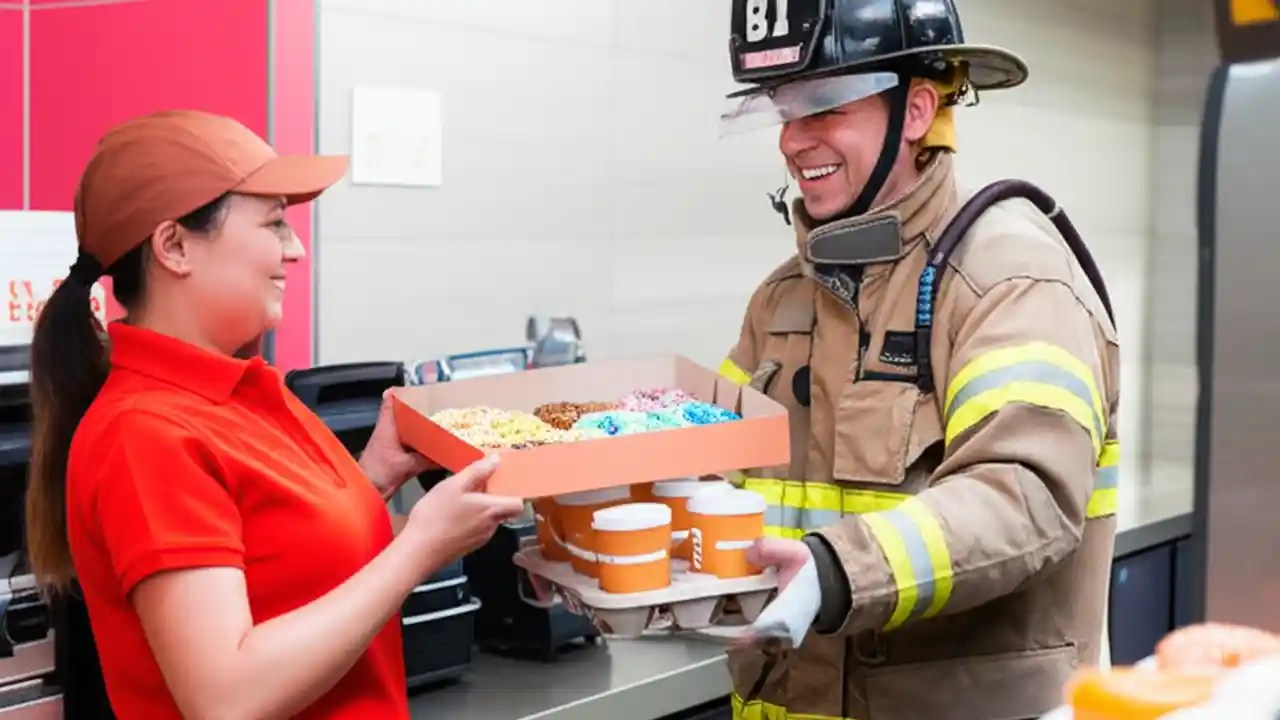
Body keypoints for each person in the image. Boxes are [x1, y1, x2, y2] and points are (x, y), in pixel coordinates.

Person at [24, 109, 524, 720]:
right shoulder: (144, 434)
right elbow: (226, 696)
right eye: (275, 224)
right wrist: (417, 546)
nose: (297, 249)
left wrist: (371, 482)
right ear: (174, 246)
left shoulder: (251, 391)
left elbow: (274, 565)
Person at [714, 1, 1121, 718]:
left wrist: (839, 570)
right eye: (784, 110)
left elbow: (1025, 496)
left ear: (915, 110)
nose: (793, 141)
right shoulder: (779, 301)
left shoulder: (1009, 280)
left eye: (823, 106)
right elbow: (714, 470)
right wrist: (600, 539)